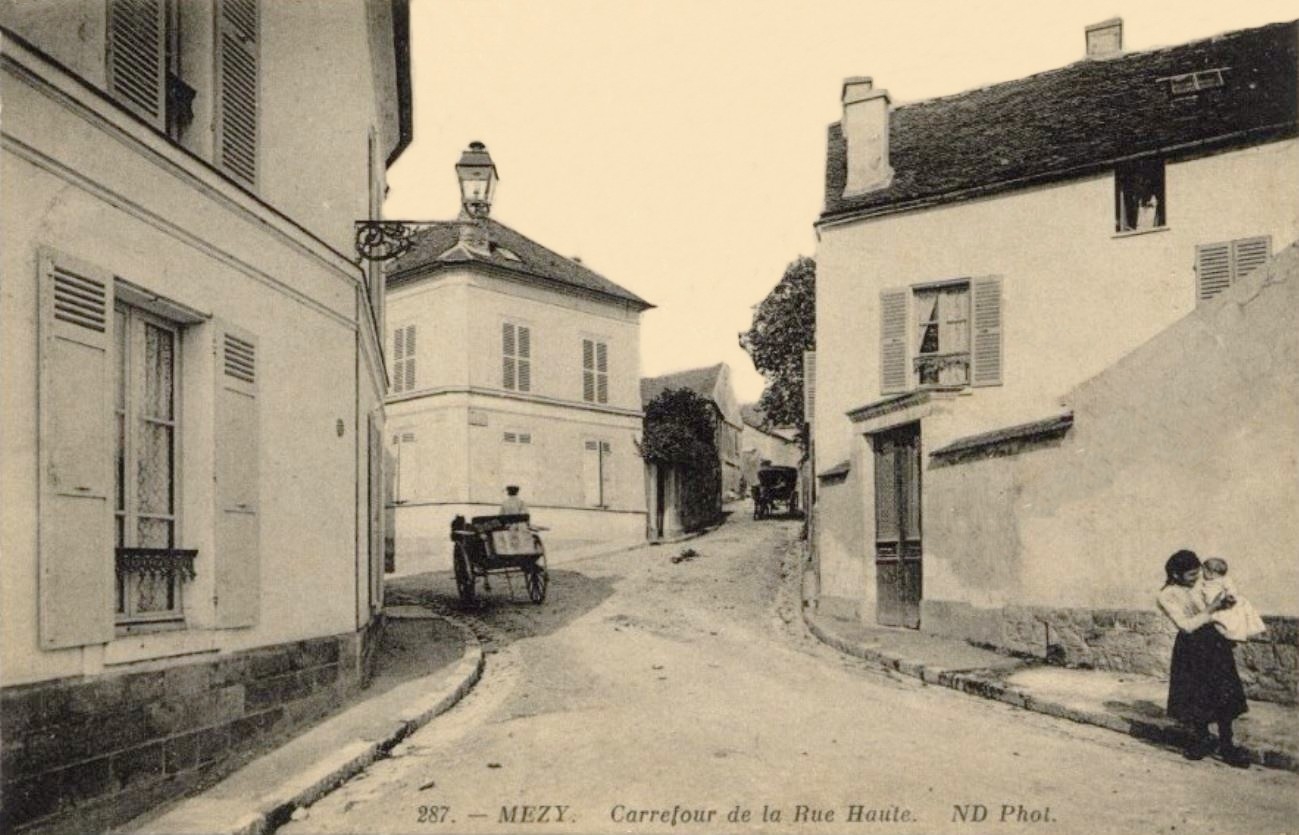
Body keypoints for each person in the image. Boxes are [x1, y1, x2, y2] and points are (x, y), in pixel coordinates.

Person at [1155, 549, 1250, 767]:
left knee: (1223, 694)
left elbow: (1219, 604)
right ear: (1176, 574)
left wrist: (1227, 608)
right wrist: (1213, 607)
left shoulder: (1202, 583)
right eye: (1190, 575)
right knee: (1196, 696)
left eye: (1197, 573)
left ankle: (1227, 745)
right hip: (1191, 648)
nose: (1196, 578)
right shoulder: (1166, 595)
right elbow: (1186, 625)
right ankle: (1202, 739)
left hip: (1215, 643)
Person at [1200, 557, 1266, 642]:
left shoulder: (1224, 580)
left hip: (1222, 601)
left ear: (1211, 572)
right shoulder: (1204, 582)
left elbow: (1231, 588)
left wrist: (1230, 595)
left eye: (1204, 571)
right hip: (1211, 603)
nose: (1202, 573)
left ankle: (1252, 630)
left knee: (1239, 608)